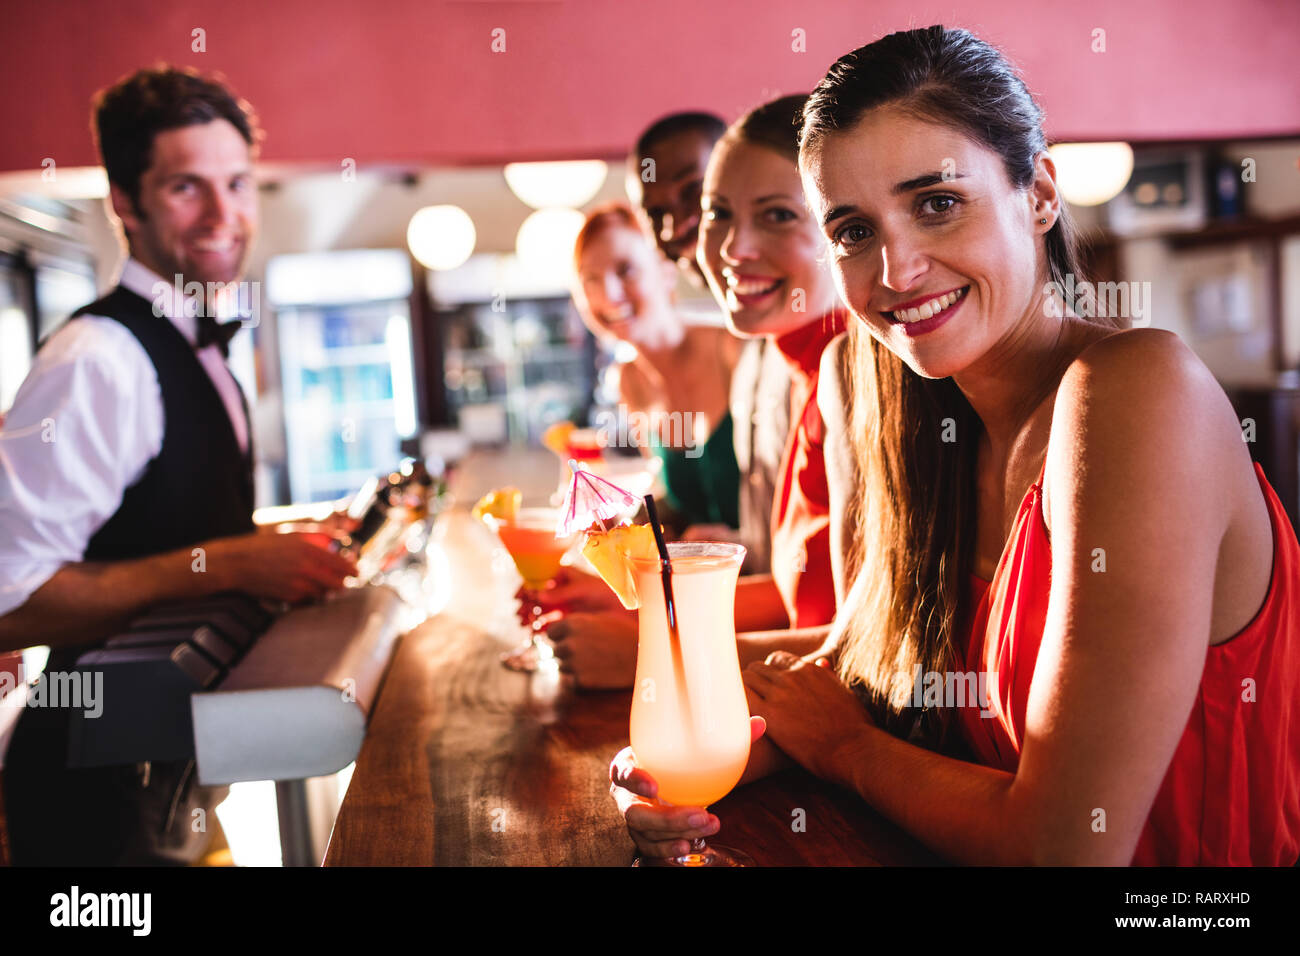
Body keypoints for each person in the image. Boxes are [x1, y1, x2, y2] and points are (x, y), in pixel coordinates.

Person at [612, 26, 1300, 866]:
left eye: (937, 203)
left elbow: (1064, 848)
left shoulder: (1137, 391)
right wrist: (680, 780)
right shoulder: (901, 400)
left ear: (1039, 194)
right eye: (855, 231)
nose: (896, 271)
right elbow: (860, 676)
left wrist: (847, 752)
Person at [0, 66, 357, 865]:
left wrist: (279, 541)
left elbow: (150, 531)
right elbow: (10, 603)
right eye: (186, 188)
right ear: (125, 202)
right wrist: (235, 561)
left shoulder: (204, 347)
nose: (225, 216)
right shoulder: (97, 359)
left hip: (174, 766)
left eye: (238, 183)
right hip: (91, 787)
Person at [545, 96, 852, 687]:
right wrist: (636, 579)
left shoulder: (836, 366)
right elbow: (794, 579)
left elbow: (858, 625)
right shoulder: (779, 353)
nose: (732, 245)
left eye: (776, 214)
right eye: (719, 213)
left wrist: (650, 633)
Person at [628, 111, 790, 573]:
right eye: (655, 213)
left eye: (694, 197)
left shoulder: (821, 350)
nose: (673, 229)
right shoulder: (756, 341)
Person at [571, 201, 742, 532]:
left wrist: (736, 540)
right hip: (696, 580)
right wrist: (624, 524)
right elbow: (682, 504)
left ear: (666, 272)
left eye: (625, 270)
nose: (608, 294)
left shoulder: (732, 350)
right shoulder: (629, 380)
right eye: (590, 279)